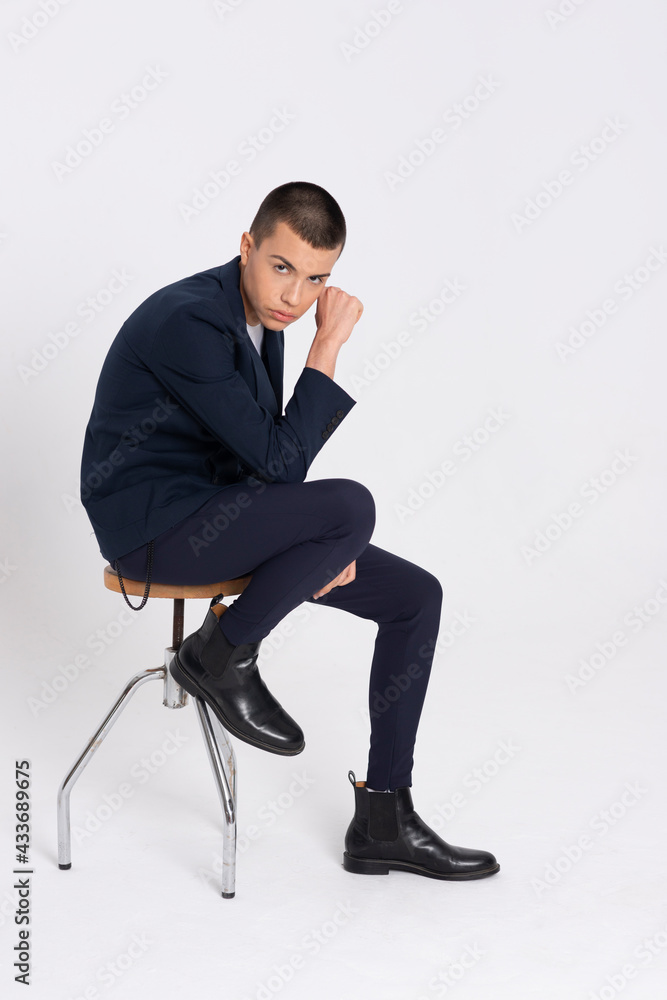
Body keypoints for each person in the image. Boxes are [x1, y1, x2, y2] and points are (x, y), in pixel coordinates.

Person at [80, 180, 499, 881]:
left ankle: (383, 819)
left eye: (316, 281)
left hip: (213, 514)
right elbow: (280, 459)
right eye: (281, 268)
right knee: (350, 504)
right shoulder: (189, 321)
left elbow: (261, 466)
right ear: (246, 247)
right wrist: (328, 342)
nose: (295, 298)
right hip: (152, 532)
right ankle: (222, 652)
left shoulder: (259, 322)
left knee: (414, 595)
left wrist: (310, 546)